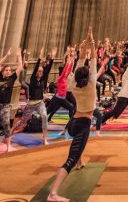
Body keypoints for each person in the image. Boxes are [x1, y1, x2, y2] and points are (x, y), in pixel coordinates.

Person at [48, 29, 98, 202]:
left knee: (78, 149)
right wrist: (91, 42)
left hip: (73, 122)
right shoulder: (91, 85)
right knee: (70, 158)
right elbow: (93, 60)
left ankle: (80, 161)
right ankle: (53, 193)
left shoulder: (73, 84)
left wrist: (85, 47)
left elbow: (83, 61)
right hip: (83, 124)